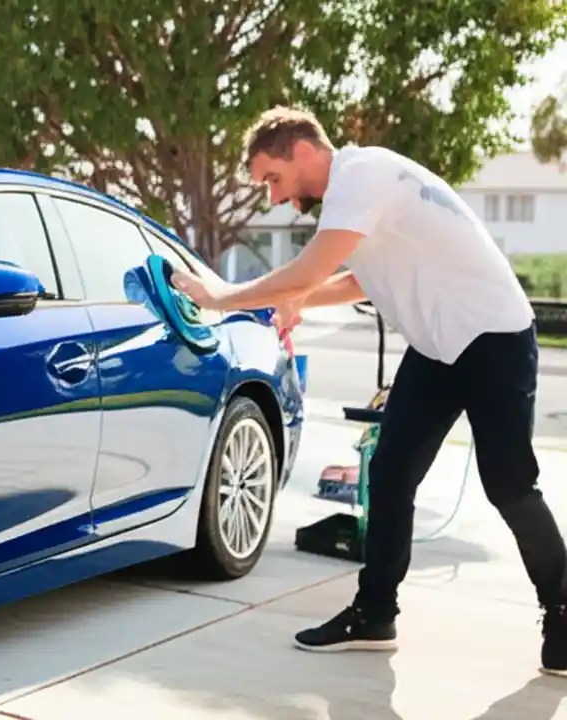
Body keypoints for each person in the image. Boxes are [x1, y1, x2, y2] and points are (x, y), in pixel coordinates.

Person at [169, 106, 566, 677]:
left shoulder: (363, 175)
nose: (274, 198)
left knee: (509, 485)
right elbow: (357, 279)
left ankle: (563, 608)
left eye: (272, 179)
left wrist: (222, 295)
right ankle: (375, 614)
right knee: (390, 472)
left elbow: (308, 269)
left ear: (303, 150)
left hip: (494, 336)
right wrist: (299, 299)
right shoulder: (353, 199)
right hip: (437, 349)